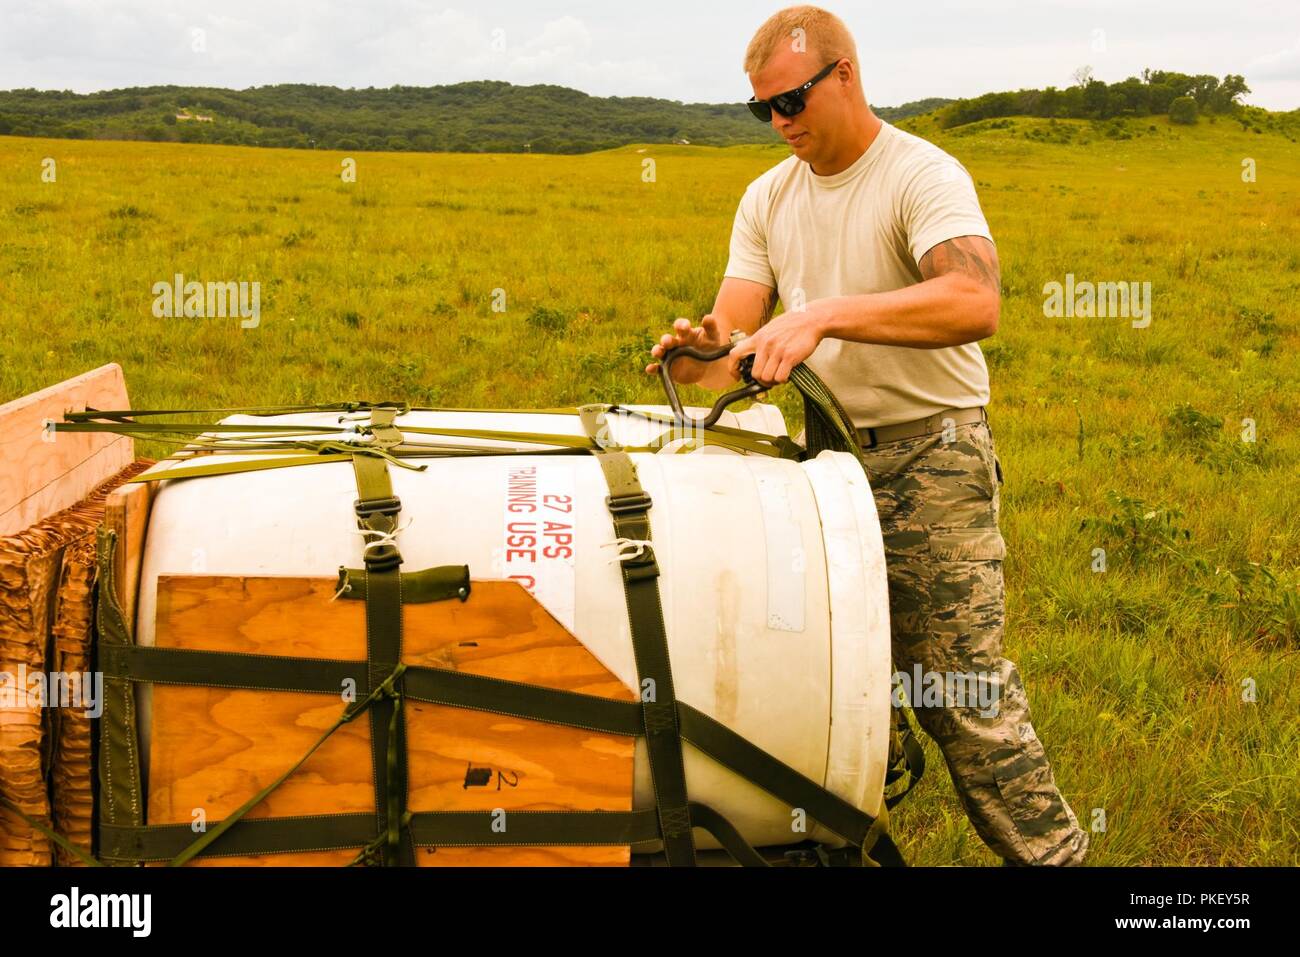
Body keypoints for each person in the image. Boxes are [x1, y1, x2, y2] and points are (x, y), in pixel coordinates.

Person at [645, 4, 1089, 866]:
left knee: (962, 698)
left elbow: (975, 301)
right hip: (824, 469)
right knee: (833, 689)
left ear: (844, 75)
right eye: (761, 110)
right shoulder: (768, 196)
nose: (780, 123)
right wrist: (701, 354)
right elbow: (736, 333)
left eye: (792, 101)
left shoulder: (921, 174)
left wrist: (827, 317)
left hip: (933, 460)